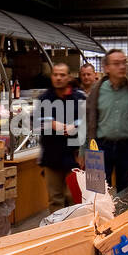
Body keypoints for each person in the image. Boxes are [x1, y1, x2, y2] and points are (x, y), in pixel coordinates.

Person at [85, 49, 128, 192]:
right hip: (99, 147)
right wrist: (82, 152)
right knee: (96, 192)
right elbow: (87, 124)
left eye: (124, 63)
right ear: (106, 68)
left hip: (127, 148)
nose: (122, 67)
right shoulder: (96, 93)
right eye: (116, 63)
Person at [36, 62, 86, 211]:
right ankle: (57, 230)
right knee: (55, 199)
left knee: (74, 197)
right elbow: (38, 122)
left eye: (62, 75)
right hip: (52, 157)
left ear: (69, 77)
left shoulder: (79, 98)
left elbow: (89, 120)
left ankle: (75, 230)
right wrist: (51, 124)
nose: (58, 78)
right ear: (51, 77)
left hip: (74, 157)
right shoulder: (44, 98)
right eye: (55, 74)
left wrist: (74, 126)